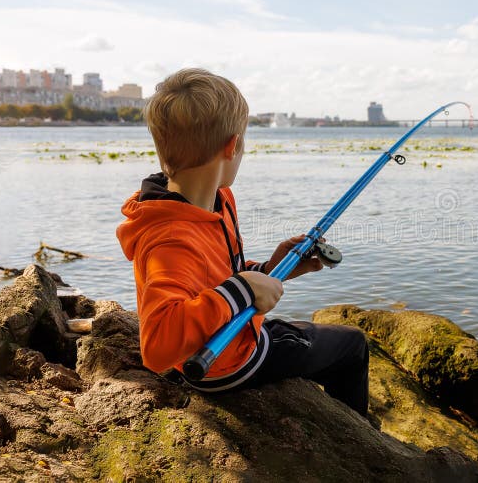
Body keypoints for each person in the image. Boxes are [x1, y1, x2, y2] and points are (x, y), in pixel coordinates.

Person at [116, 68, 369, 417]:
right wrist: (244, 290)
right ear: (232, 146)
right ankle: (360, 446)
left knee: (317, 340)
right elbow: (158, 347)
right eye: (244, 143)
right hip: (222, 363)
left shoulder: (218, 202)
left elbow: (219, 279)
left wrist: (269, 271)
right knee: (353, 346)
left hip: (233, 335)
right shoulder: (170, 236)